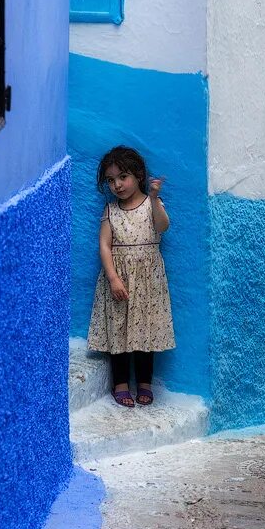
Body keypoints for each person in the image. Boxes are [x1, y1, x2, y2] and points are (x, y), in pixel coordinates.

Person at [87, 145, 175, 407]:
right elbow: (104, 245)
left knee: (145, 329)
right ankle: (121, 382)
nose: (117, 185)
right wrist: (113, 278)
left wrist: (156, 196)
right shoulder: (111, 211)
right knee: (118, 329)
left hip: (148, 279)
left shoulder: (151, 205)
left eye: (122, 177)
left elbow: (163, 227)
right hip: (120, 279)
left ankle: (145, 382)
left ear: (138, 175)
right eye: (111, 180)